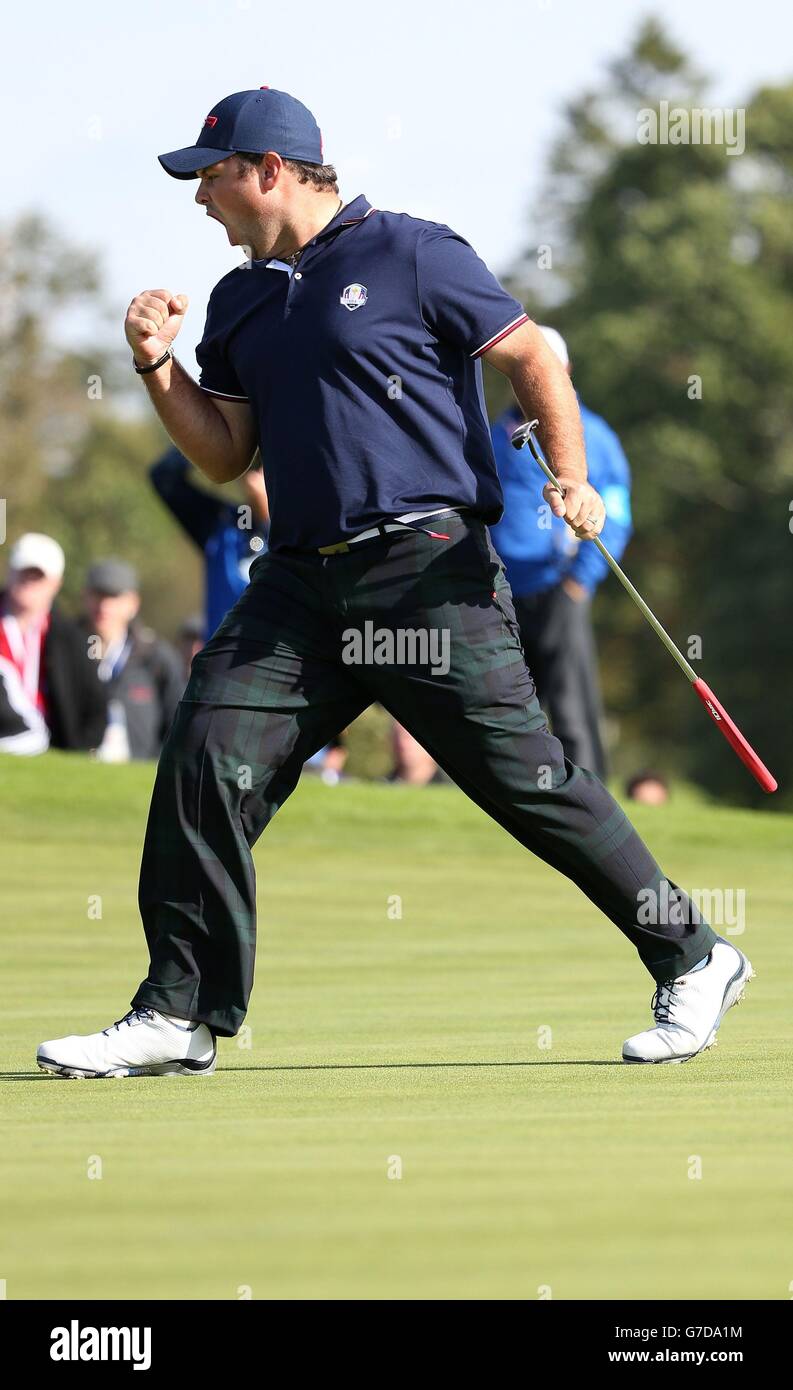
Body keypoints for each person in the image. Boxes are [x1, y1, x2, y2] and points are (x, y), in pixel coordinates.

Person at [37, 87, 751, 1079]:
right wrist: (157, 368)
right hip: (297, 584)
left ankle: (694, 952)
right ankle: (179, 1010)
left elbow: (530, 355)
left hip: (425, 571)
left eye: (209, 179)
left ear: (269, 172)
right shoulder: (240, 300)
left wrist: (573, 475)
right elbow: (222, 451)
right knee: (204, 754)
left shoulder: (414, 252)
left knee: (529, 782)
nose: (199, 200)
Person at [490, 327, 633, 778]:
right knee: (505, 706)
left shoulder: (594, 435)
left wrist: (579, 581)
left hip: (560, 586)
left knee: (571, 708)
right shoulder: (496, 432)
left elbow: (617, 514)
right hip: (499, 593)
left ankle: (594, 800)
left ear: (563, 373)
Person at [0, 533, 106, 755]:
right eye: (24, 572)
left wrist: (80, 750)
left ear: (56, 583)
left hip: (52, 750)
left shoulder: (73, 639)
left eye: (38, 576)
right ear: (10, 571)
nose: (29, 581)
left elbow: (94, 706)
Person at [150, 445, 269, 639]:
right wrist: (213, 436)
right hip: (220, 664)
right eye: (254, 467)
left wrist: (266, 521)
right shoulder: (222, 523)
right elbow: (165, 477)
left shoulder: (307, 532)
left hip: (277, 663)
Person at [82, 559, 186, 762]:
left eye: (114, 596)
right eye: (98, 595)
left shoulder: (156, 656)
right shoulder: (66, 648)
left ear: (133, 603)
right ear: (85, 597)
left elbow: (178, 723)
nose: (104, 606)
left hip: (140, 774)